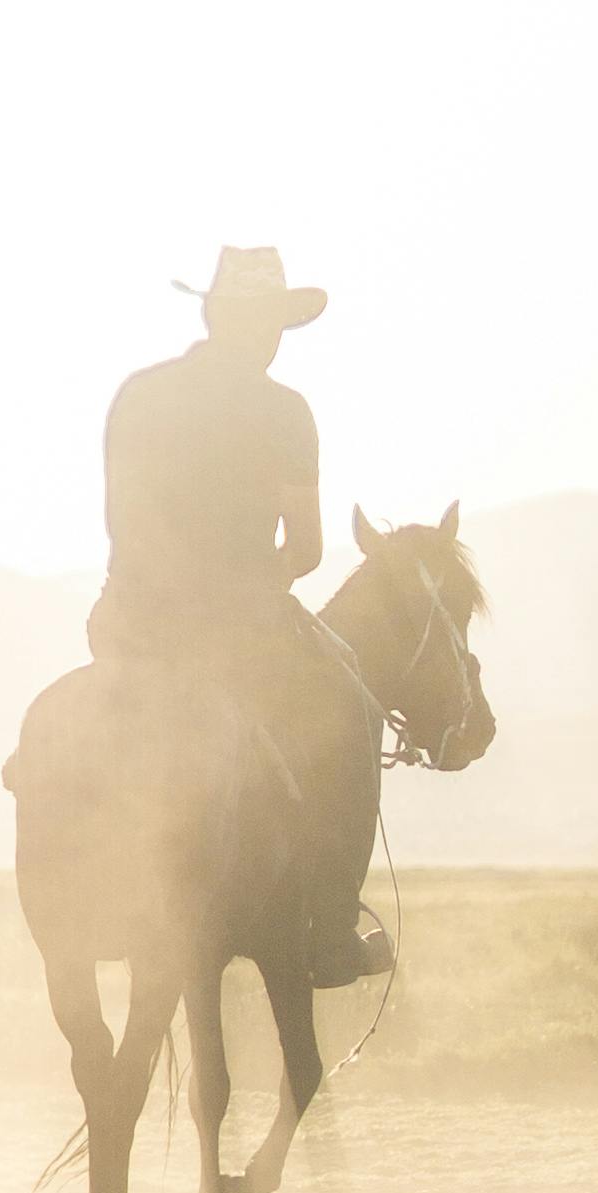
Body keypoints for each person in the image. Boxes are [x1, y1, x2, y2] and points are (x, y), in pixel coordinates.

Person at [88, 245, 384, 979]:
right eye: (272, 322)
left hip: (128, 616)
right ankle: (333, 931)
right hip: (236, 630)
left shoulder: (141, 393)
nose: (275, 337)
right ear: (256, 326)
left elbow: (119, 518)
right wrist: (249, 586)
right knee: (351, 717)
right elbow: (307, 548)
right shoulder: (283, 411)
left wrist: (158, 586)